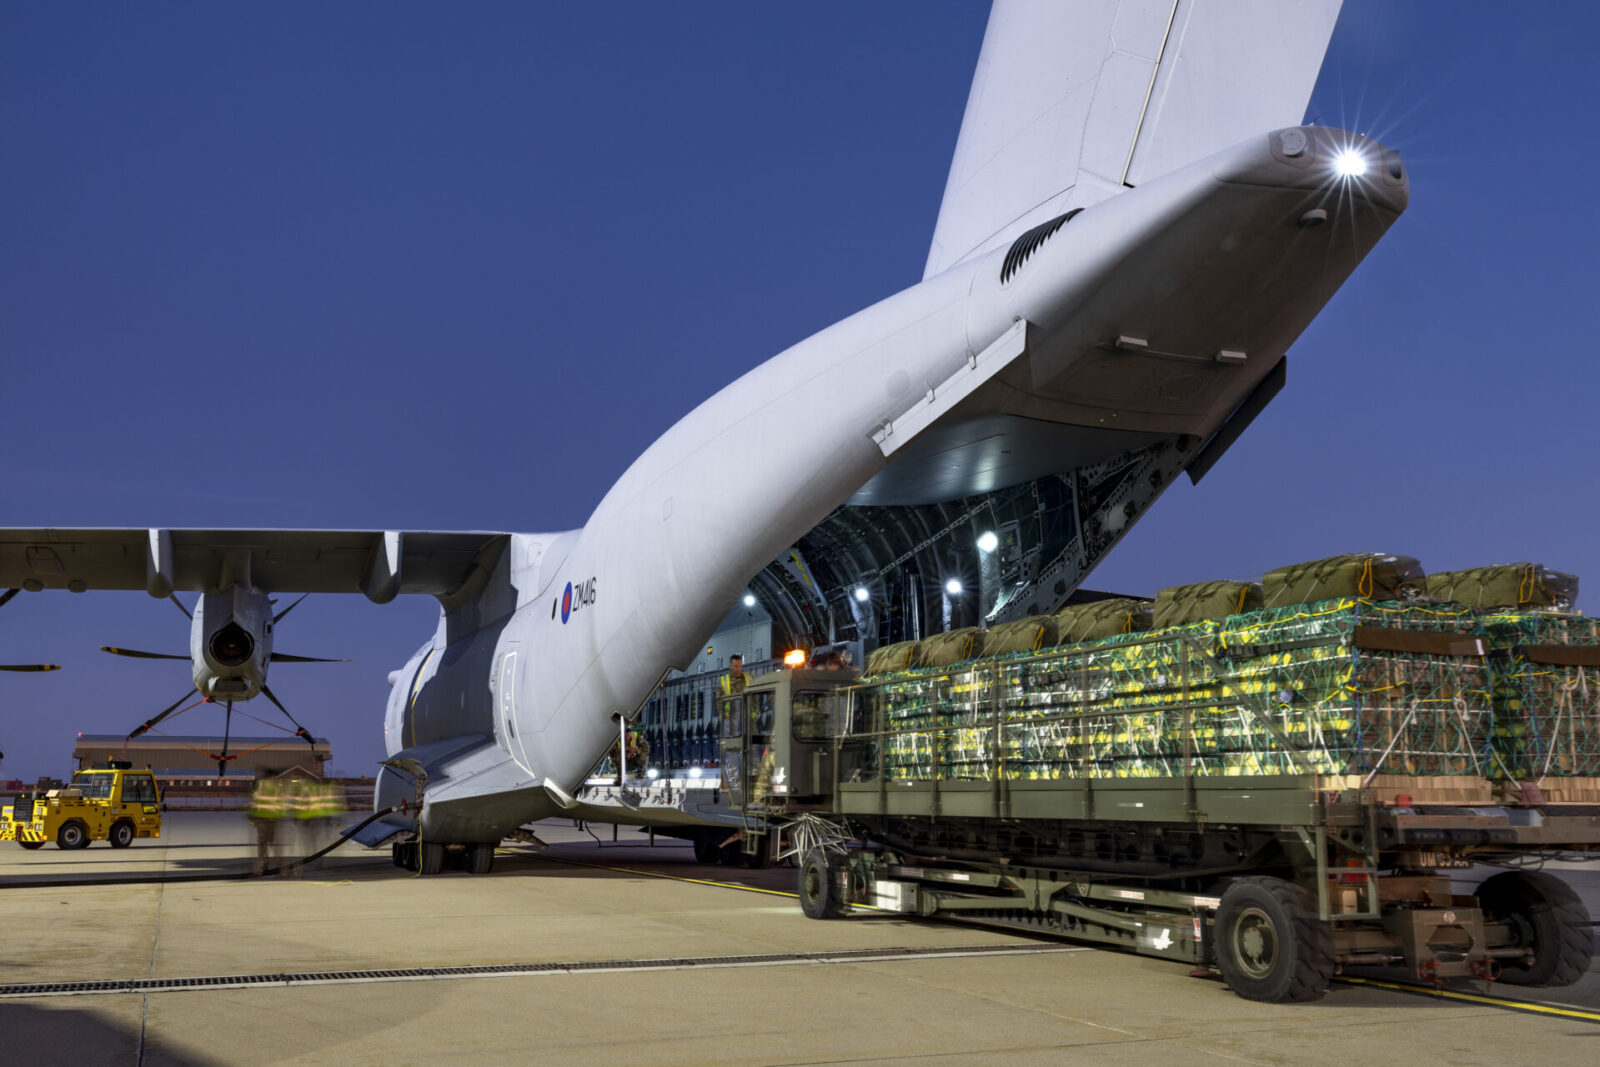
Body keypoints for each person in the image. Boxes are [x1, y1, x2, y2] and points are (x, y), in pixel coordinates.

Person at [248, 770, 285, 876]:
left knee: (262, 845)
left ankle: (261, 868)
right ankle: (279, 868)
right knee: (274, 844)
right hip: (273, 819)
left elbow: (255, 803)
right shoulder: (278, 787)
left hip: (262, 819)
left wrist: (252, 819)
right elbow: (280, 804)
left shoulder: (260, 785)